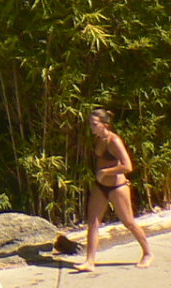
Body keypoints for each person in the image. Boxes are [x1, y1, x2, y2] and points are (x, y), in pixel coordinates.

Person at [77, 107, 152, 271]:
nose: (91, 127)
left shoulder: (114, 141)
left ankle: (147, 253)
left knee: (129, 223)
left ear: (105, 124)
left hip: (117, 187)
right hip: (101, 186)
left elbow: (127, 166)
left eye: (94, 124)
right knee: (93, 222)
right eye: (90, 123)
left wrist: (105, 172)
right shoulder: (99, 139)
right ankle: (90, 261)